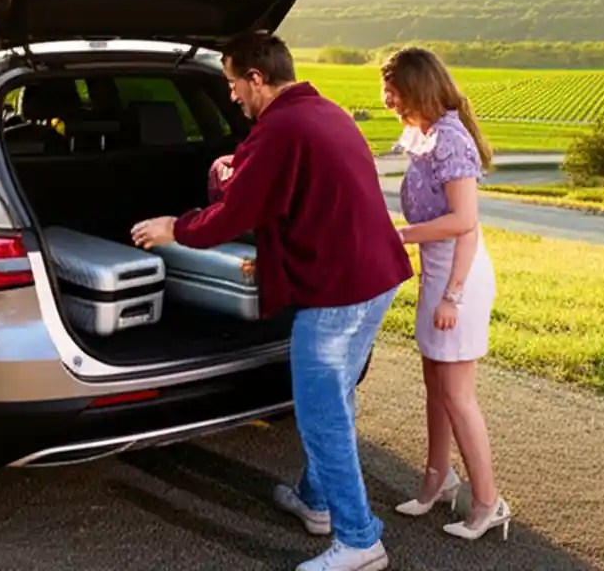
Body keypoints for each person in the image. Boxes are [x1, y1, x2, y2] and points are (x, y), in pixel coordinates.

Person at [130, 31, 413, 571]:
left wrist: (174, 226)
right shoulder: (323, 111)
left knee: (320, 413)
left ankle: (359, 542)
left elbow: (235, 215)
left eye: (233, 84)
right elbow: (280, 185)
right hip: (376, 276)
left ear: (256, 79)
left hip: (339, 290)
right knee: (336, 400)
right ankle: (317, 501)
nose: (231, 95)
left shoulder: (281, 128)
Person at [379, 47, 511, 542]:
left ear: (419, 89)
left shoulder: (452, 141)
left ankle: (487, 502)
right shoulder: (426, 134)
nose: (388, 100)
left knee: (458, 395)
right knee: (435, 385)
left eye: (394, 92)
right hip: (437, 274)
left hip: (461, 279)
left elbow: (464, 223)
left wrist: (450, 293)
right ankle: (438, 478)